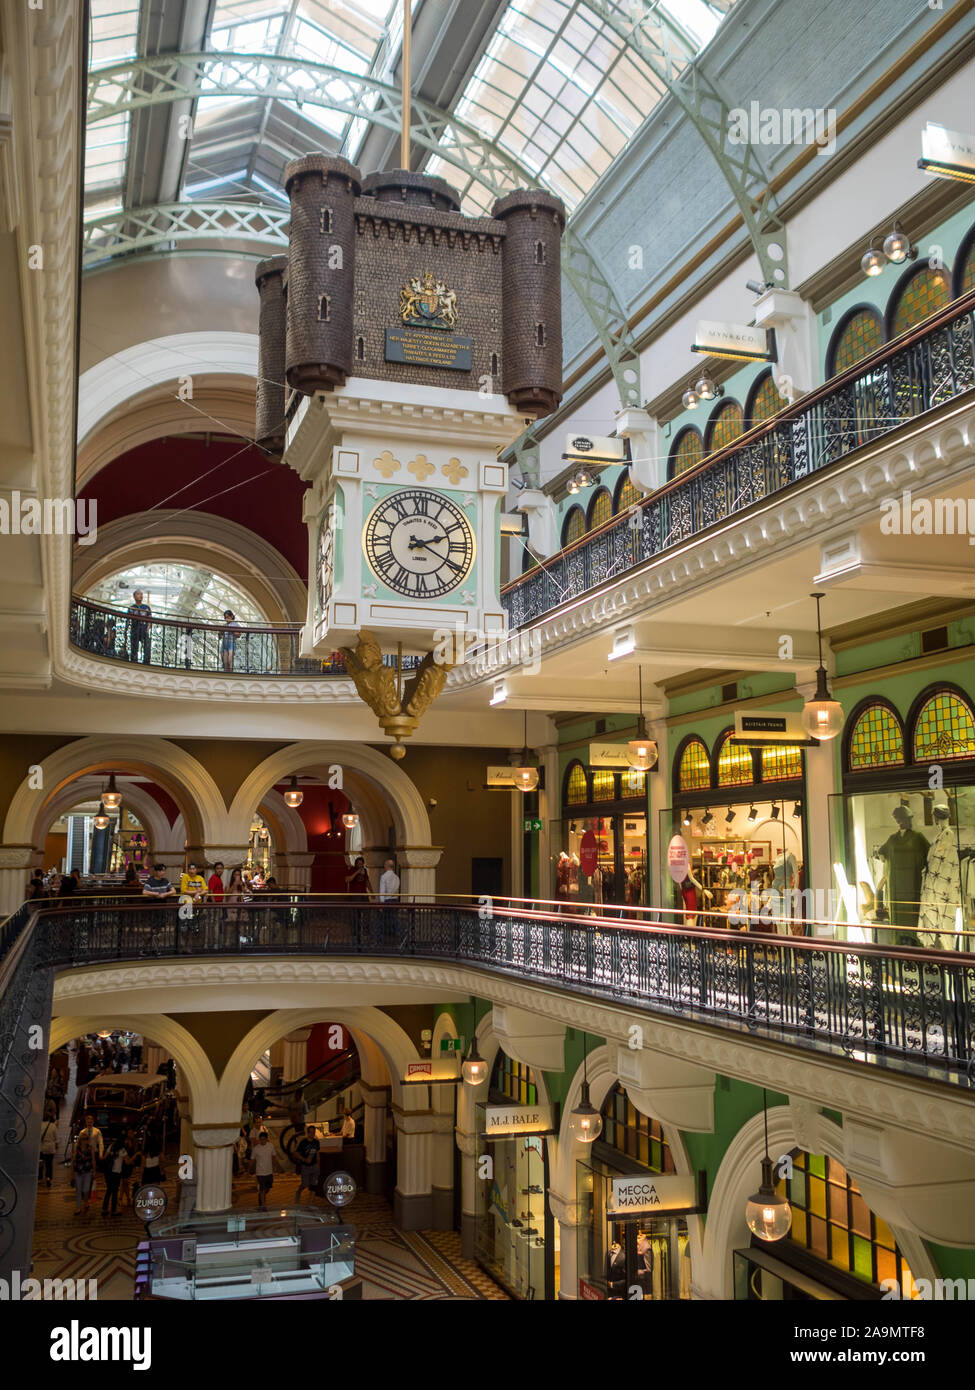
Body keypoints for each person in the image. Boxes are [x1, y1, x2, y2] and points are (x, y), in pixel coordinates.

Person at [101, 1136, 128, 1216]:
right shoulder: (122, 1150)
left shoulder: (111, 1146)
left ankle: (104, 1209)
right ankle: (113, 1210)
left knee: (109, 1190)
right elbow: (127, 1161)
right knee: (115, 1191)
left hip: (108, 1172)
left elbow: (105, 1157)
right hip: (116, 1173)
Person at [294, 1125, 321, 1203]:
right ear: (307, 1133)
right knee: (305, 1184)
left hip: (315, 1166)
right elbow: (296, 1153)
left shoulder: (316, 1142)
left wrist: (318, 1165)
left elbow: (317, 1154)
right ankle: (298, 1191)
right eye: (311, 1132)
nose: (312, 1134)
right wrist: (304, 1159)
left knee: (314, 1185)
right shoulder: (303, 1142)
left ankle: (310, 1203)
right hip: (305, 1167)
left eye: (313, 1132)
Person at [252, 1130, 277, 1207]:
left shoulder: (271, 1146)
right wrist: (249, 1170)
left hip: (269, 1171)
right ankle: (263, 1205)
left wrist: (275, 1166)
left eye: (264, 1139)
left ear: (267, 1139)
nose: (262, 1141)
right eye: (261, 1139)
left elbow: (274, 1156)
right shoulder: (256, 1148)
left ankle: (261, 1195)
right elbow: (252, 1160)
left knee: (267, 1188)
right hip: (260, 1172)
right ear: (259, 1140)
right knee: (262, 1189)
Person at [127, 589, 152, 665]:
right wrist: (126, 629)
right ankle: (134, 659)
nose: (140, 596)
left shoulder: (146, 607)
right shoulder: (132, 608)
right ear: (134, 596)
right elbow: (128, 619)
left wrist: (148, 628)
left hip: (144, 629)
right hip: (135, 629)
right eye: (138, 594)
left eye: (141, 594)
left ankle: (146, 660)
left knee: (147, 645)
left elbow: (150, 619)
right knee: (134, 645)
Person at [71, 1135, 95, 1214]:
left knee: (86, 1190)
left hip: (88, 1172)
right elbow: (73, 1160)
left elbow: (93, 1160)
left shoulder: (90, 1148)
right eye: (84, 1139)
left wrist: (94, 1171)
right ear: (80, 1140)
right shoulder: (77, 1149)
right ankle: (78, 1207)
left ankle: (86, 1202)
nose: (85, 1141)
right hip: (78, 1172)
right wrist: (72, 1173)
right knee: (78, 1190)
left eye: (86, 1139)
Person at [120, 1128, 142, 1207]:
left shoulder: (135, 1142)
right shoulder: (125, 1142)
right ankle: (124, 1198)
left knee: (126, 1182)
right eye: (129, 1132)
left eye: (132, 1132)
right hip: (125, 1164)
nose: (131, 1134)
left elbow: (137, 1153)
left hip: (132, 1164)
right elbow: (126, 1156)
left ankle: (125, 1198)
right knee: (124, 1182)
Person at [38, 1113, 58, 1187]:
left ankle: (39, 1177)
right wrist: (56, 1145)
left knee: (40, 1163)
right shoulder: (53, 1126)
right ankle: (48, 1178)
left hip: (41, 1147)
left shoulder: (39, 1125)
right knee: (49, 1164)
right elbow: (56, 1138)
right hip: (50, 1147)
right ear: (49, 1118)